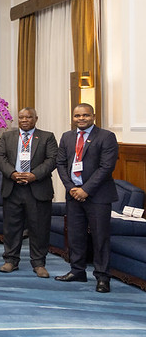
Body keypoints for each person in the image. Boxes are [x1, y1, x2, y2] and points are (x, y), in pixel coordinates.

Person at [55, 103, 119, 293]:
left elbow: (106, 167)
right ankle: (77, 271)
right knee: (75, 235)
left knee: (100, 237)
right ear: (72, 117)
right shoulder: (67, 136)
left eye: (85, 115)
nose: (81, 119)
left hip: (98, 195)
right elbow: (60, 163)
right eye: (77, 116)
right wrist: (72, 188)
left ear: (93, 116)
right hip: (73, 194)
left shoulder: (106, 136)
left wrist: (86, 190)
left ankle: (102, 277)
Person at [0, 107, 57, 278]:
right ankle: (10, 260)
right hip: (13, 188)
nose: (24, 120)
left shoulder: (47, 137)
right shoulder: (8, 136)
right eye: (21, 117)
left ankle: (39, 263)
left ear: (36, 118)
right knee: (11, 227)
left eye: (29, 117)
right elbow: (0, 158)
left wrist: (34, 175)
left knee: (39, 227)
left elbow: (52, 159)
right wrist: (13, 174)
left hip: (37, 188)